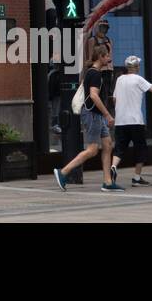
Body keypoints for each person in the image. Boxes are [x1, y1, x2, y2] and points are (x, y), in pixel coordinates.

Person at [55, 45, 121, 192]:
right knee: (92, 150)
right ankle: (63, 172)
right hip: (93, 115)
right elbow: (93, 96)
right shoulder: (95, 74)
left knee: (108, 145)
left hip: (96, 115)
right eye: (107, 56)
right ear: (101, 57)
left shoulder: (92, 72)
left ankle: (108, 182)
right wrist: (107, 114)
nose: (110, 59)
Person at [109, 56, 152, 186]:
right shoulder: (138, 79)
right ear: (136, 67)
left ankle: (113, 167)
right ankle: (136, 177)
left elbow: (114, 99)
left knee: (119, 148)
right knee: (140, 149)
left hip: (120, 121)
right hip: (135, 121)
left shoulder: (119, 79)